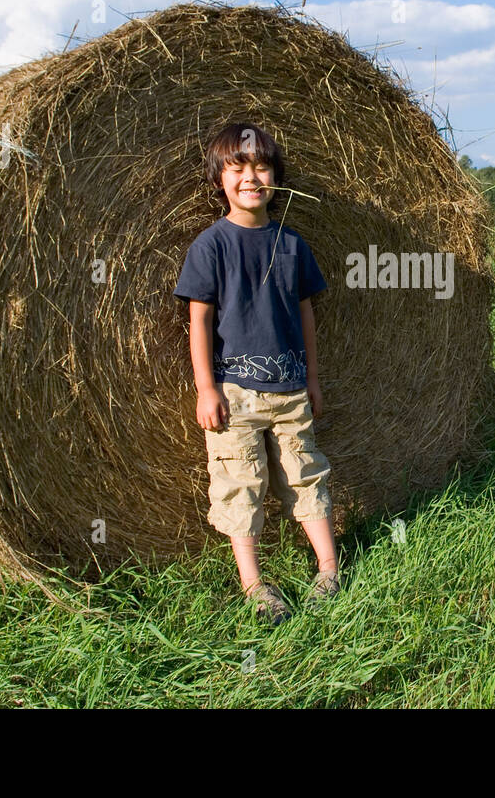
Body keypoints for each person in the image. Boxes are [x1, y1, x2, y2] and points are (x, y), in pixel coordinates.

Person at [173, 121, 338, 625]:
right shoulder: (211, 245)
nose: (250, 177)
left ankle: (328, 567)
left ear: (277, 177)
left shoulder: (293, 245)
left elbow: (306, 313)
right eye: (237, 167)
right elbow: (198, 318)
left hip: (291, 389)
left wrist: (312, 379)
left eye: (261, 166)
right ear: (219, 179)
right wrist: (205, 388)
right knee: (238, 481)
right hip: (236, 394)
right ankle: (254, 583)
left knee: (306, 472)